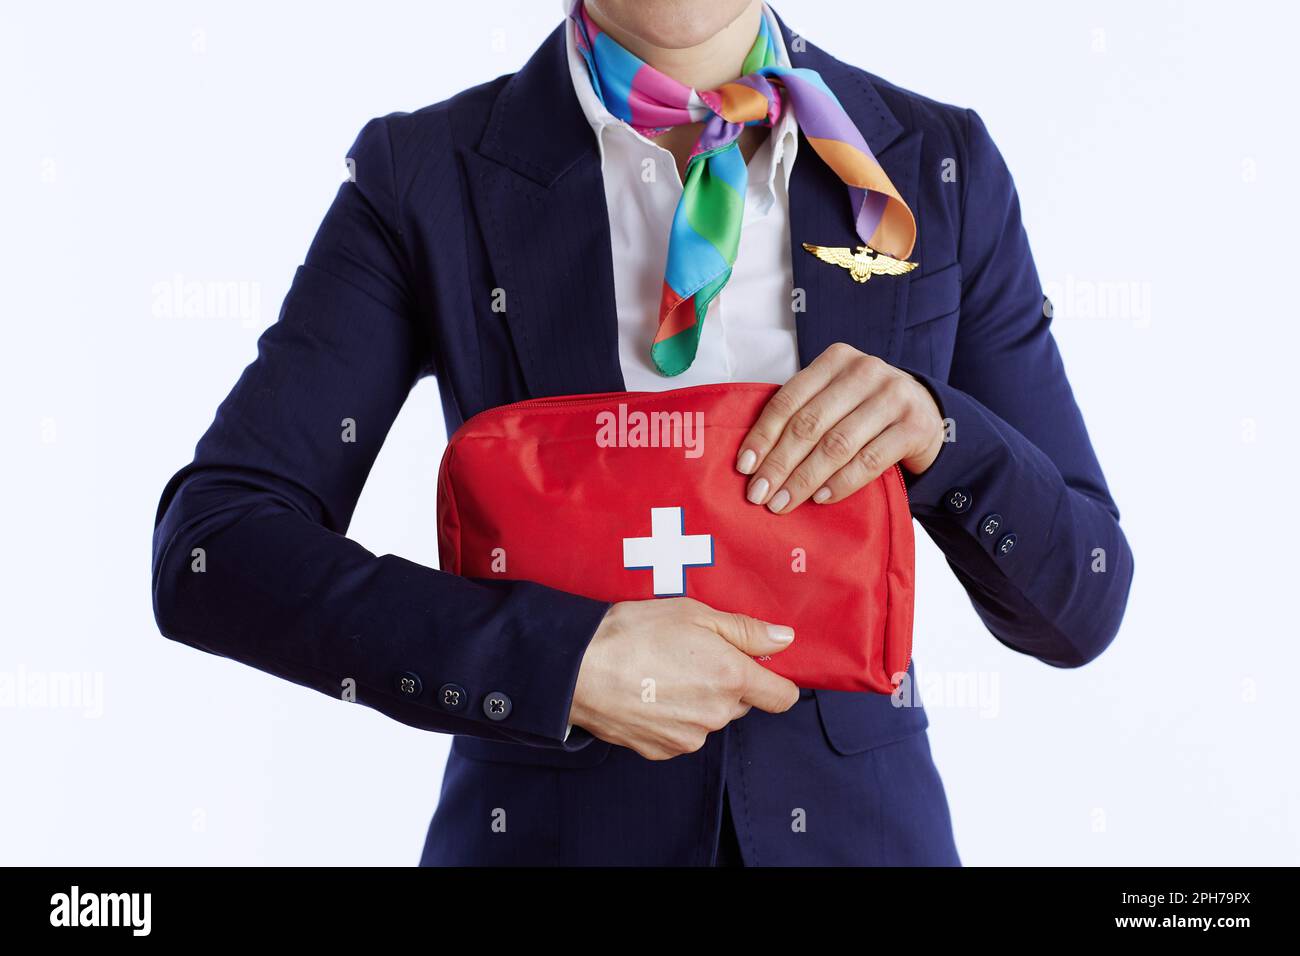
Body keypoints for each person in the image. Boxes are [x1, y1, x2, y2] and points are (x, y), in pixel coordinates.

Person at [151, 0, 1134, 865]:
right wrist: (553, 660)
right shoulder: (421, 177)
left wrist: (943, 434)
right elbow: (213, 544)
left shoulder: (937, 165)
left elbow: (1081, 601)